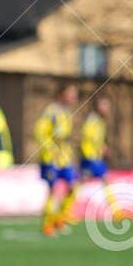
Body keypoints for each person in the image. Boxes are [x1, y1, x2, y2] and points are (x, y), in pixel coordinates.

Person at [35, 83, 79, 237]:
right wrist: (51, 150)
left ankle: (59, 218)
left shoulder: (66, 113)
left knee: (73, 186)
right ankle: (48, 225)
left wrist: (68, 153)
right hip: (50, 158)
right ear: (62, 94)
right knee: (52, 190)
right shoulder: (51, 112)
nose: (74, 97)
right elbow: (39, 133)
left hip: (64, 158)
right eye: (71, 94)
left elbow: (64, 138)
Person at [78, 95, 122, 223]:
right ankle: (116, 212)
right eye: (104, 105)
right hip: (91, 157)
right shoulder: (93, 120)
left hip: (94, 157)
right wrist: (92, 152)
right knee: (104, 180)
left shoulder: (99, 121)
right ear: (98, 106)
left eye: (108, 105)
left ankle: (64, 211)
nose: (107, 108)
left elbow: (95, 139)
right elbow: (86, 138)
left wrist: (103, 146)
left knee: (81, 182)